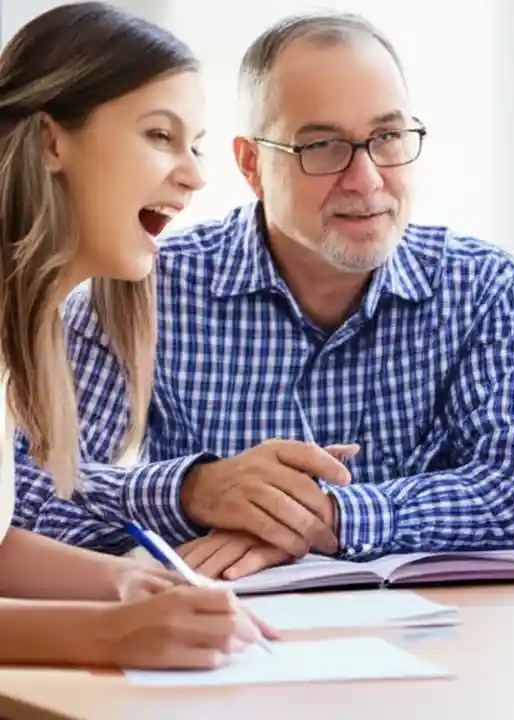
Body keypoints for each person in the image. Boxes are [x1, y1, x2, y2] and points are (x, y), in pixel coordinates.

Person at [14, 11, 514, 581]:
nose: (368, 179)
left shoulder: (484, 288)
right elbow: (26, 497)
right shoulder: (145, 284)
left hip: (453, 642)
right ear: (252, 164)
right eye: (322, 146)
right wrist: (193, 490)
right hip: (230, 639)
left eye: (389, 137)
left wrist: (324, 516)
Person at [0, 2, 271, 669]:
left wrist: (128, 583)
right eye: (159, 135)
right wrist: (111, 635)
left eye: (195, 144)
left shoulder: (25, 339)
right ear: (49, 142)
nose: (194, 174)